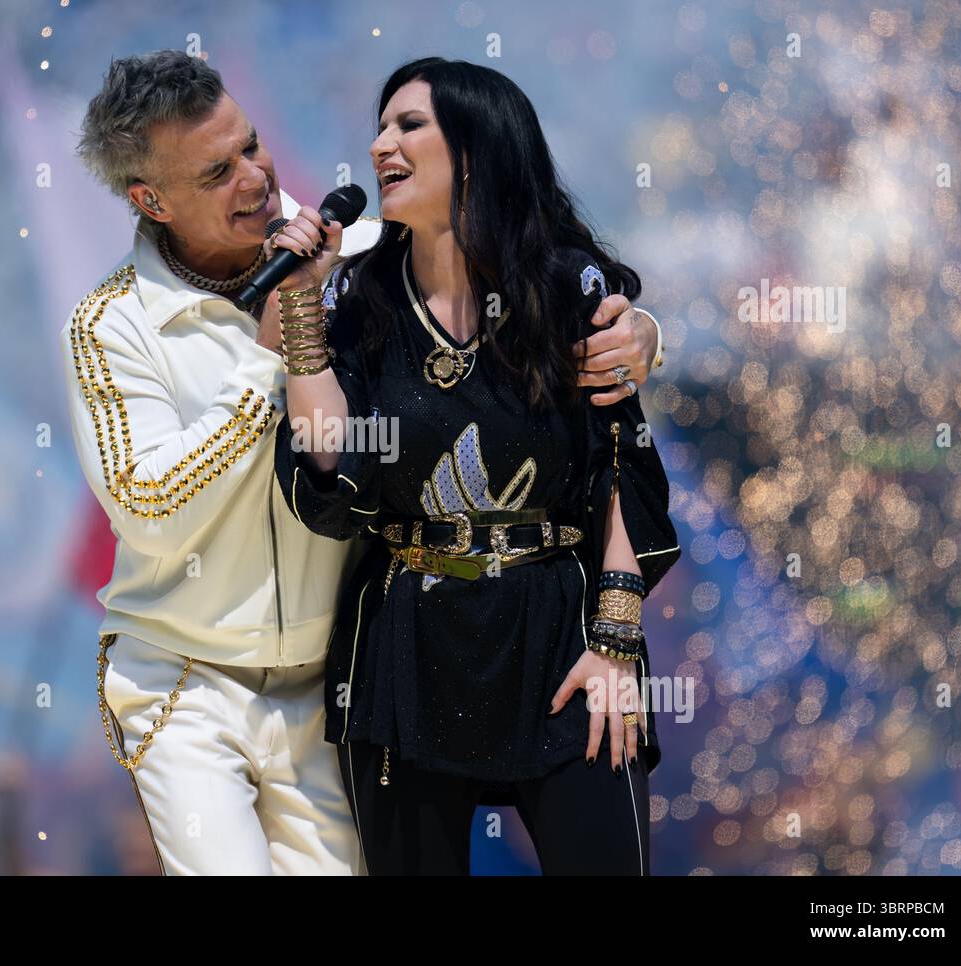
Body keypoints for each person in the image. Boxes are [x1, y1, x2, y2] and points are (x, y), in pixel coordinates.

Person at [63, 50, 666, 875]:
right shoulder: (114, 325)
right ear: (151, 199)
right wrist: (268, 357)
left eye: (252, 147)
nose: (255, 179)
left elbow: (518, 268)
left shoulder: (355, 256)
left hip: (327, 682)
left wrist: (641, 337)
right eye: (217, 172)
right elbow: (149, 507)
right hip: (188, 679)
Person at [271, 57, 681, 875]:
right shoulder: (364, 307)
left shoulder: (567, 289)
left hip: (563, 634)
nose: (382, 143)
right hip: (405, 646)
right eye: (380, 128)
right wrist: (303, 315)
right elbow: (330, 479)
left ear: (478, 147)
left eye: (408, 125)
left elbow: (618, 473)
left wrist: (614, 646)